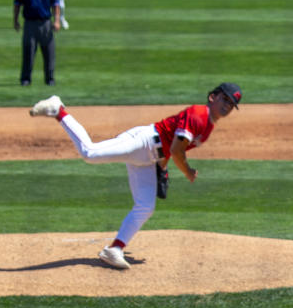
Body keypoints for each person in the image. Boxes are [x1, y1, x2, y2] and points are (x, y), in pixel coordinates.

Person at [27, 83, 242, 269]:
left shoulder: (208, 126)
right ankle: (58, 110)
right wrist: (188, 172)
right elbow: (177, 150)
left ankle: (114, 250)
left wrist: (163, 168)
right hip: (142, 142)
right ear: (212, 97)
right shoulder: (198, 115)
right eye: (224, 99)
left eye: (231, 105)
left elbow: (170, 148)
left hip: (149, 159)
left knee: (146, 206)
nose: (226, 106)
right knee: (90, 153)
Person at [12, 0, 60, 86]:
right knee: (28, 52)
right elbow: (17, 4)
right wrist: (15, 20)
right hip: (30, 23)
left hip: (45, 23)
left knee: (49, 53)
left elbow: (55, 5)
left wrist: (56, 21)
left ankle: (50, 79)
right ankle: (26, 79)